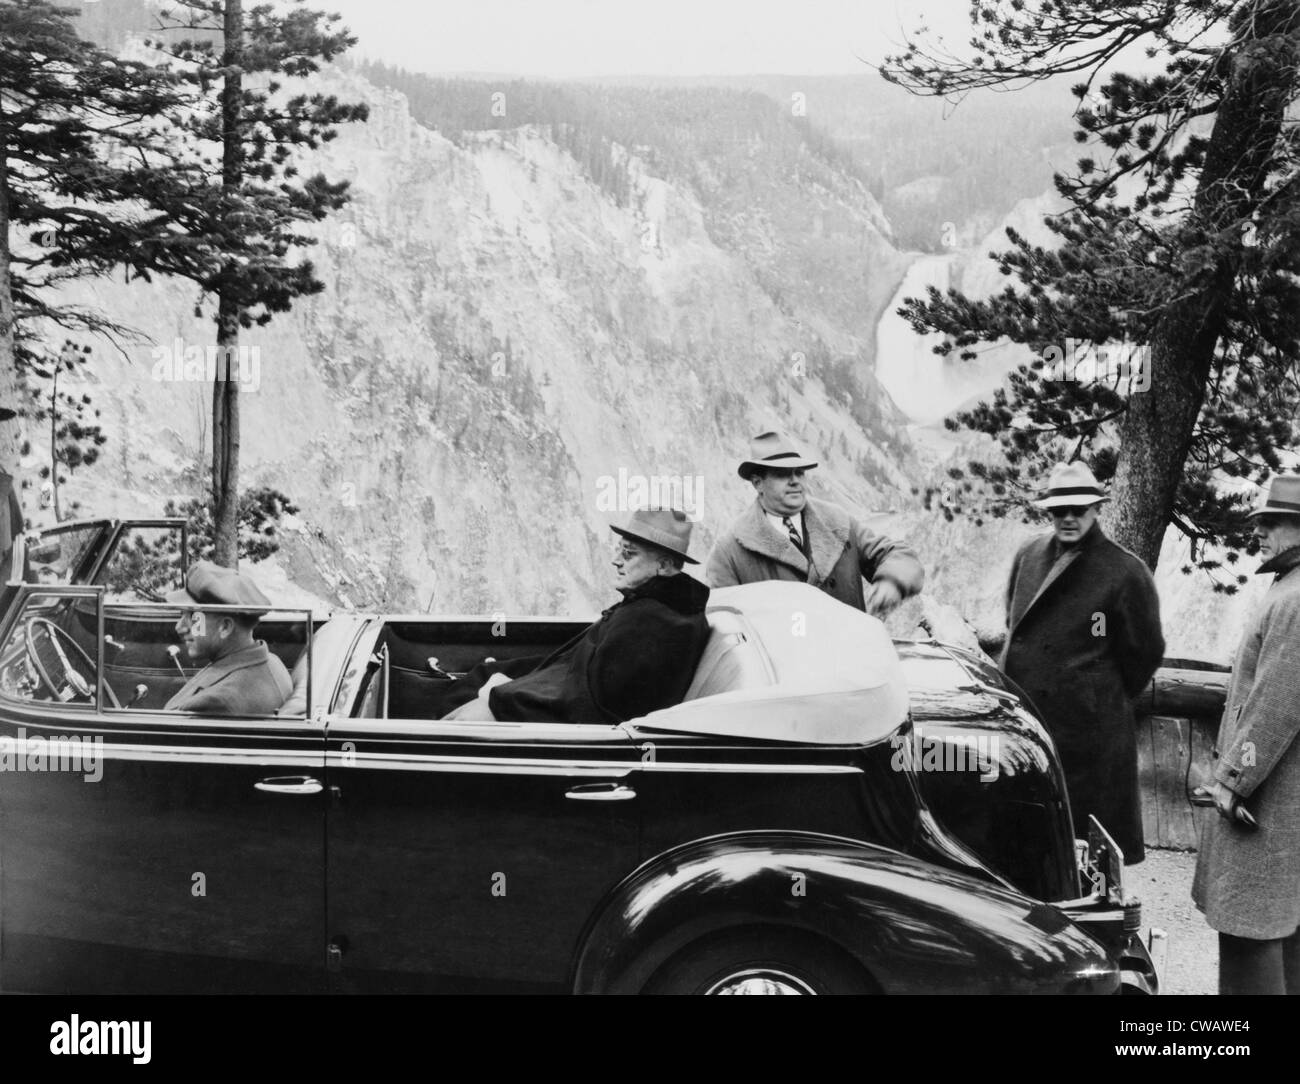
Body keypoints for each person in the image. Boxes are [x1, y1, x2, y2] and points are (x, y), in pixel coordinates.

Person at [1001, 460, 1164, 865]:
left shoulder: (1125, 571)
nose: (1068, 518)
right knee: (1030, 842)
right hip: (1030, 721)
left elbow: (1144, 652)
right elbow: (1014, 623)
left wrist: (1094, 693)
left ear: (1096, 510)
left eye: (1078, 510)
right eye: (1059, 510)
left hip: (1089, 737)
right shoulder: (1029, 554)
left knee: (1089, 850)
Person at [442, 508, 711, 724]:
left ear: (663, 565)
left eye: (628, 553)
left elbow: (600, 709)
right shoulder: (652, 604)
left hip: (573, 731)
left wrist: (505, 698)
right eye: (619, 549)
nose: (616, 560)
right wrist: (509, 683)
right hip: (555, 701)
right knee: (480, 678)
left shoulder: (660, 623)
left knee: (461, 716)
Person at [1192, 474, 1300, 994]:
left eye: (1272, 522)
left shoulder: (1297, 598)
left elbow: (1277, 704)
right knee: (1282, 924)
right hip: (1280, 795)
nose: (1258, 531)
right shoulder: (1287, 588)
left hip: (1267, 801)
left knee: (1249, 926)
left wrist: (1233, 780)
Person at [705, 430, 923, 616]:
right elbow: (726, 628)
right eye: (782, 474)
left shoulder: (838, 522)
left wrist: (892, 582)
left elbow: (899, 555)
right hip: (782, 665)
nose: (795, 481)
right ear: (758, 483)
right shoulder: (729, 552)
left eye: (799, 472)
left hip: (853, 657)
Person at [164, 560, 294, 715]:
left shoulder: (216, 703)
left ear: (225, 627)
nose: (179, 627)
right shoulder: (272, 661)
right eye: (182, 615)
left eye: (193, 616)